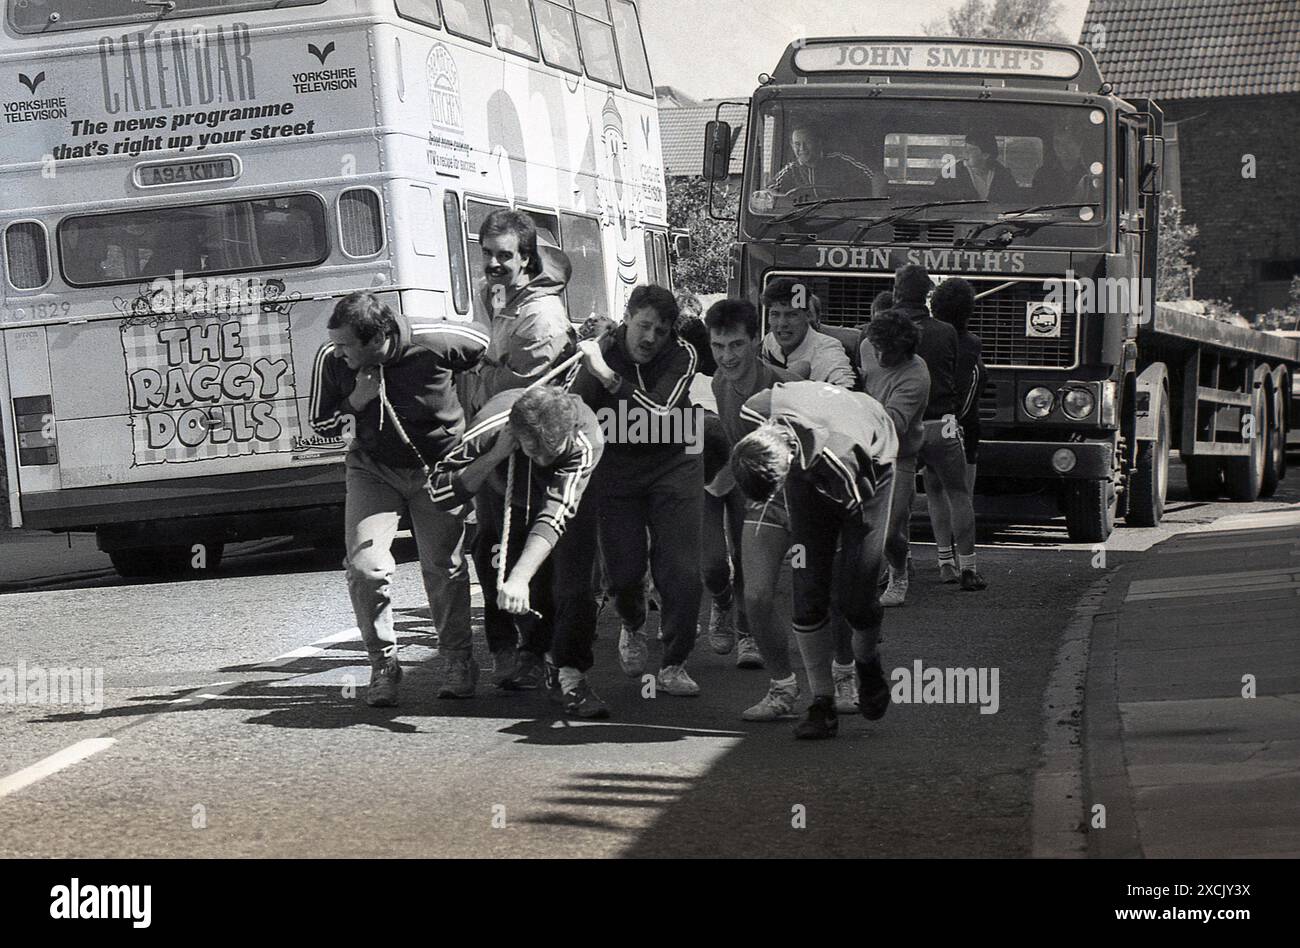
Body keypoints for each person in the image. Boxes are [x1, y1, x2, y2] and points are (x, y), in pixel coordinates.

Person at [309, 291, 489, 706]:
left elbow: (490, 352)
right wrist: (357, 400)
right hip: (373, 469)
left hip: (437, 468)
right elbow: (319, 425)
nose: (337, 352)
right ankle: (383, 665)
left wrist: (481, 419)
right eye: (335, 343)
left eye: (345, 345)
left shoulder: (436, 339)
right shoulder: (332, 359)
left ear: (378, 339)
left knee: (444, 567)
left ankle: (458, 661)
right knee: (364, 568)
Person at [731, 381, 899, 739]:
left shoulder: (842, 459)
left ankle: (867, 663)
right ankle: (821, 701)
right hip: (812, 452)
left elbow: (856, 518)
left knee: (854, 594)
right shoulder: (755, 407)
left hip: (869, 464)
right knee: (807, 589)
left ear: (789, 461)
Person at [430, 385, 609, 717]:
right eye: (533, 450)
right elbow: (439, 493)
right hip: (505, 493)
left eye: (550, 451)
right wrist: (496, 454)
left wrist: (520, 578)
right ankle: (534, 650)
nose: (541, 460)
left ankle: (570, 675)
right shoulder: (490, 427)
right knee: (506, 573)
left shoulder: (587, 436)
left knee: (576, 586)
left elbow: (556, 513)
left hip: (567, 493)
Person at [569, 285, 704, 696]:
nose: (650, 338)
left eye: (660, 331)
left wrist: (609, 379)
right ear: (626, 317)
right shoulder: (600, 351)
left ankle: (675, 662)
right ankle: (632, 622)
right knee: (624, 573)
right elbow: (574, 410)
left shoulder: (683, 353)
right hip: (618, 470)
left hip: (675, 460)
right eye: (643, 326)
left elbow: (662, 409)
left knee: (681, 569)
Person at [704, 299, 805, 719]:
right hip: (747, 487)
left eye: (736, 345)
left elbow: (806, 455)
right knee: (735, 580)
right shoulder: (717, 384)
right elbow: (732, 445)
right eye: (718, 345)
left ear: (755, 341)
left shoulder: (785, 387)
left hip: (788, 492)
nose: (727, 356)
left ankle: (840, 673)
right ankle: (781, 686)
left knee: (808, 594)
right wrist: (714, 487)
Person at [874, 265, 987, 596]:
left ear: (896, 292)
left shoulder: (882, 332)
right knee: (958, 493)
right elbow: (953, 376)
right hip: (943, 423)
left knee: (901, 500)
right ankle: (967, 568)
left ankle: (902, 562)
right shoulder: (946, 332)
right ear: (927, 295)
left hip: (904, 428)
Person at [464, 209, 574, 417]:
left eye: (504, 256)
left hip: (527, 422)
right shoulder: (494, 290)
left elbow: (512, 388)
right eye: (487, 253)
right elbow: (486, 342)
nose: (492, 264)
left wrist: (478, 366)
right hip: (488, 410)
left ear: (525, 258)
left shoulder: (542, 316)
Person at [859, 312, 931, 608]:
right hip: (862, 451)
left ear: (906, 350)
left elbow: (892, 425)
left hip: (898, 456)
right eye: (876, 348)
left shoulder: (916, 376)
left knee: (888, 532)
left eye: (888, 352)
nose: (879, 356)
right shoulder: (867, 346)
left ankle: (899, 572)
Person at [926, 278, 987, 582]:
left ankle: (944, 560)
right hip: (963, 427)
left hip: (931, 421)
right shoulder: (973, 345)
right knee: (961, 495)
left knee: (934, 491)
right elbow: (975, 386)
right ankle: (968, 565)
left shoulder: (928, 340)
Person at [760, 278, 856, 387]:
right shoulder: (769, 342)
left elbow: (849, 394)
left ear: (808, 315)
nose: (782, 323)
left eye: (792, 315)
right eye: (775, 314)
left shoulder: (829, 353)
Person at [768, 123, 881, 199]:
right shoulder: (792, 169)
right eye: (797, 144)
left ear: (819, 143)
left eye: (807, 143)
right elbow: (769, 191)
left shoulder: (840, 160)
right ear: (792, 146)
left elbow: (878, 177)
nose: (802, 149)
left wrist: (876, 210)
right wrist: (785, 199)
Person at [948, 130, 1020, 204]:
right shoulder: (952, 173)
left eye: (972, 149)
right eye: (965, 148)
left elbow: (1013, 201)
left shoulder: (1003, 175)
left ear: (985, 155)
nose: (965, 152)